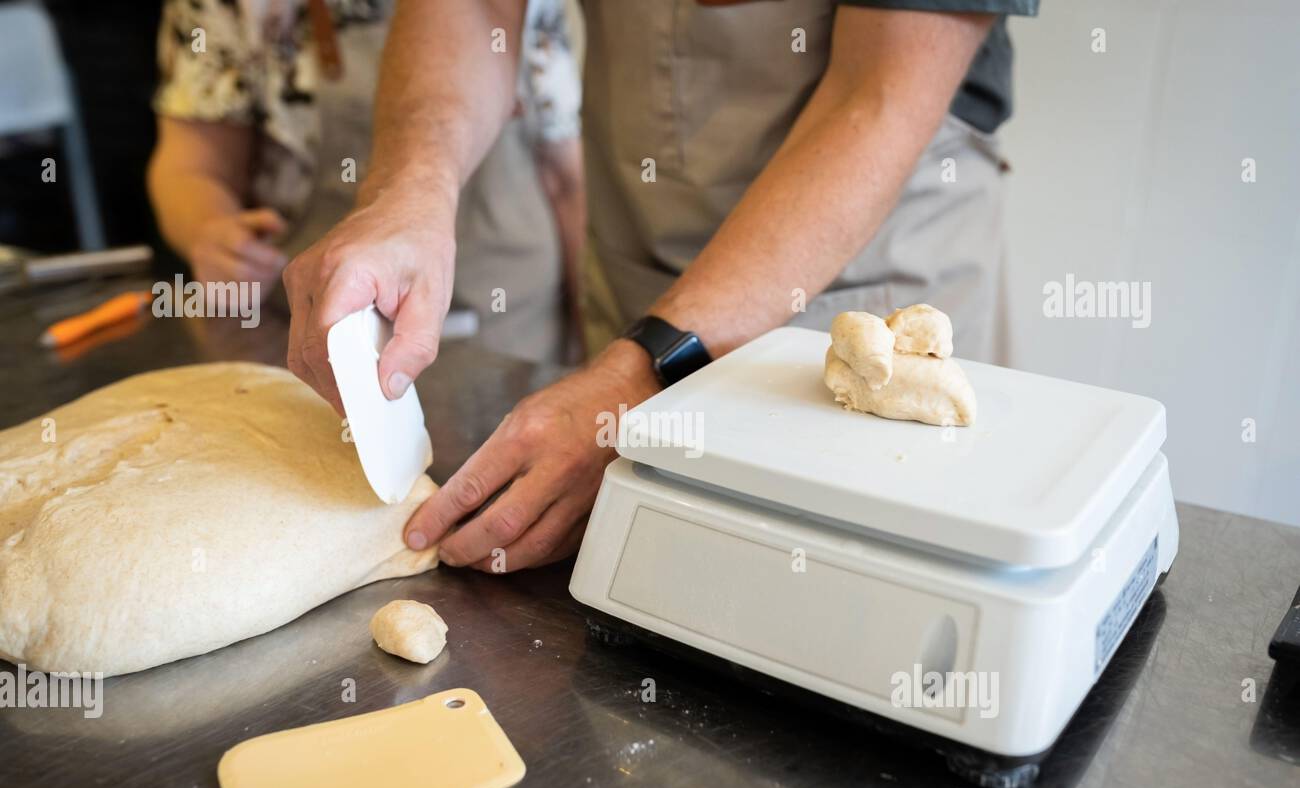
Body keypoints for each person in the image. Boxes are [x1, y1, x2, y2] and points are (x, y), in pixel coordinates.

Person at [284, 0, 1039, 571]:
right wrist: (408, 191)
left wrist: (644, 368)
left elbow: (878, 95)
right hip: (640, 265)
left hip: (869, 279)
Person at [147, 0, 585, 362]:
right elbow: (191, 165)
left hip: (511, 334)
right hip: (319, 338)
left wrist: (593, 337)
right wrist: (208, 230)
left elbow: (568, 180)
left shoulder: (522, 11)